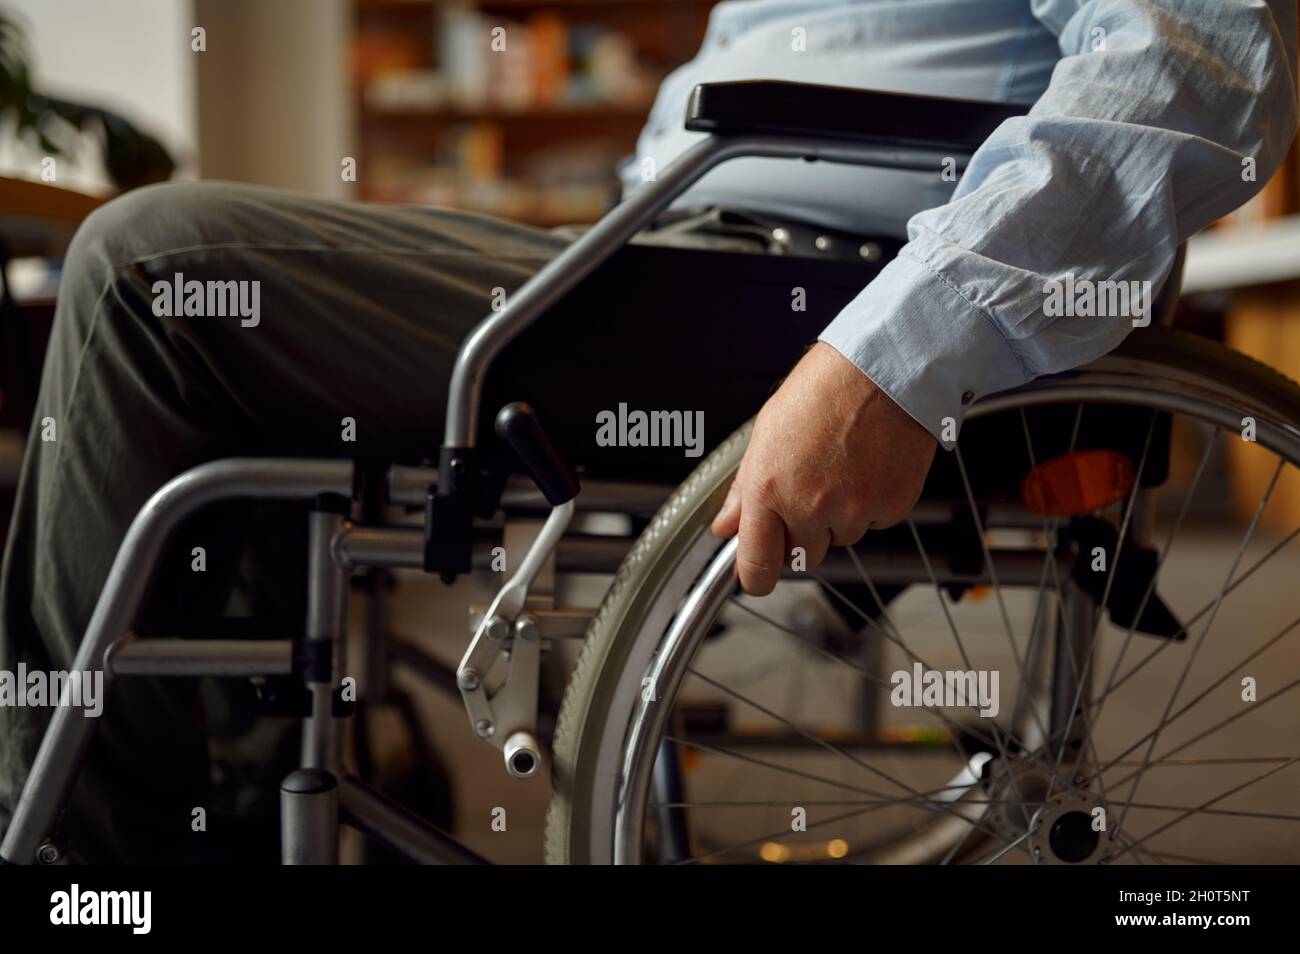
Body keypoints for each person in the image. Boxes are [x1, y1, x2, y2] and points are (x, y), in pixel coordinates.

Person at [1, 0, 1295, 863]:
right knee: (169, 314)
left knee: (144, 270)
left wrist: (889, 358)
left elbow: (1197, 68)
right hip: (689, 255)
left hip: (808, 288)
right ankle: (197, 803)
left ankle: (74, 851)